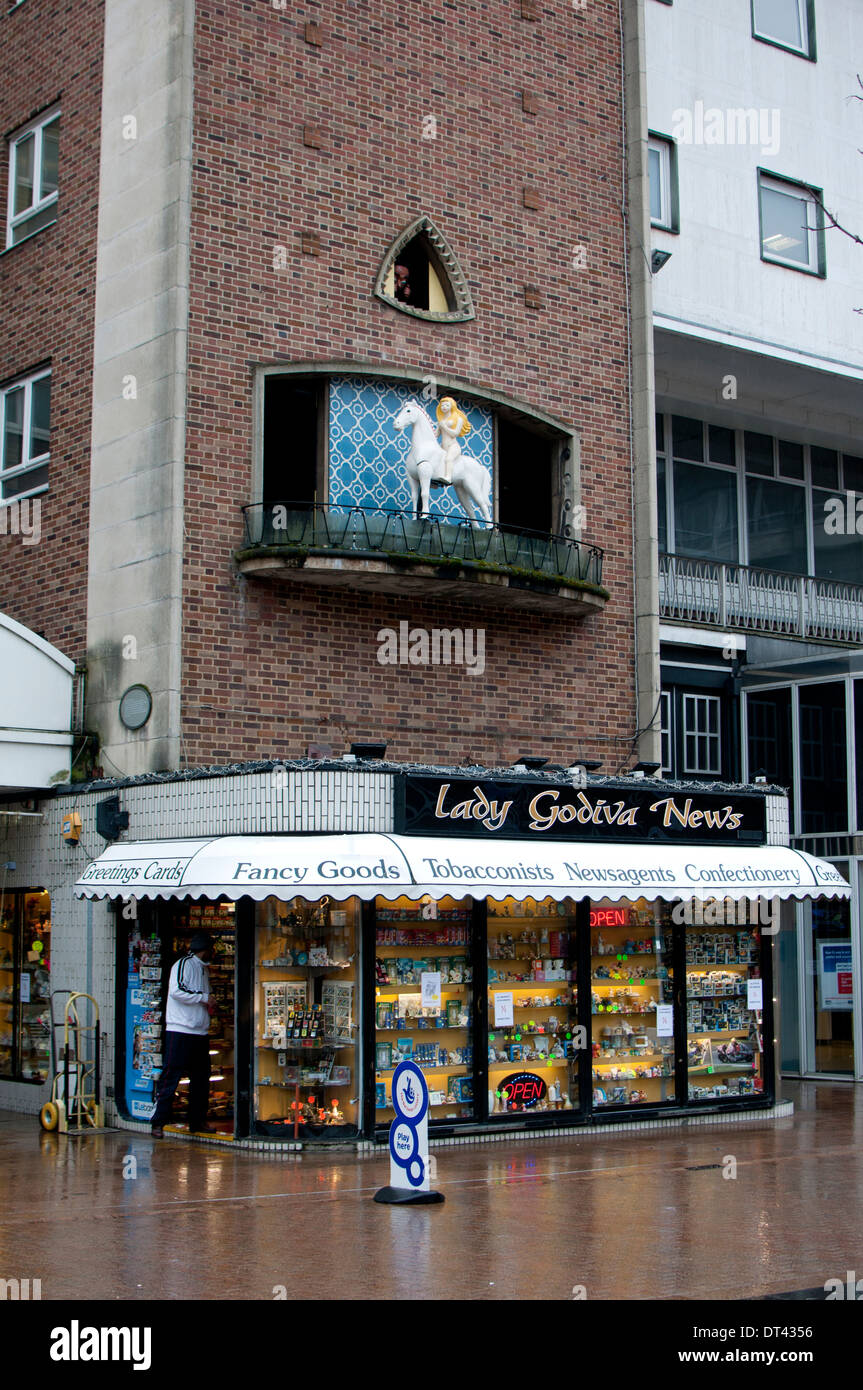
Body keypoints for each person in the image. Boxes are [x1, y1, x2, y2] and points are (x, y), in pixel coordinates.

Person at [151, 931, 216, 1138]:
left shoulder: (204, 969)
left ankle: (196, 1121)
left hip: (199, 1031)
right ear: (205, 950)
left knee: (201, 1078)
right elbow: (176, 991)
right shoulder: (183, 965)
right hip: (180, 1030)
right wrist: (204, 998)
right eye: (211, 949)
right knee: (171, 1075)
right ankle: (158, 1121)